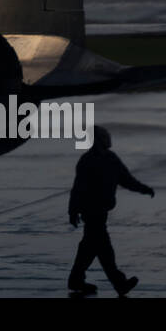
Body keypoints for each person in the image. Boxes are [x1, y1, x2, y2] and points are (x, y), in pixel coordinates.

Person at [68, 126, 154, 296]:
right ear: (98, 139)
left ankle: (76, 280)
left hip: (101, 211)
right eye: (105, 136)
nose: (109, 138)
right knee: (104, 249)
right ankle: (119, 283)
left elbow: (126, 179)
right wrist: (73, 211)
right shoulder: (87, 161)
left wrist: (144, 189)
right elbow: (77, 188)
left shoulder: (111, 159)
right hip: (91, 211)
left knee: (89, 248)